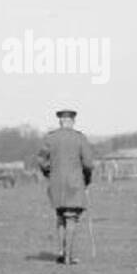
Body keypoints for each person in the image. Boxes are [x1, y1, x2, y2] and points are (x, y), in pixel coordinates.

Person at [36, 109, 95, 265]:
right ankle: (68, 256)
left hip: (56, 184)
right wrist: (87, 179)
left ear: (60, 121)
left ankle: (62, 253)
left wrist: (49, 172)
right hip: (75, 184)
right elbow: (88, 164)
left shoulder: (51, 138)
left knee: (61, 217)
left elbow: (41, 160)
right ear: (72, 121)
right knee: (71, 218)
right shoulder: (80, 138)